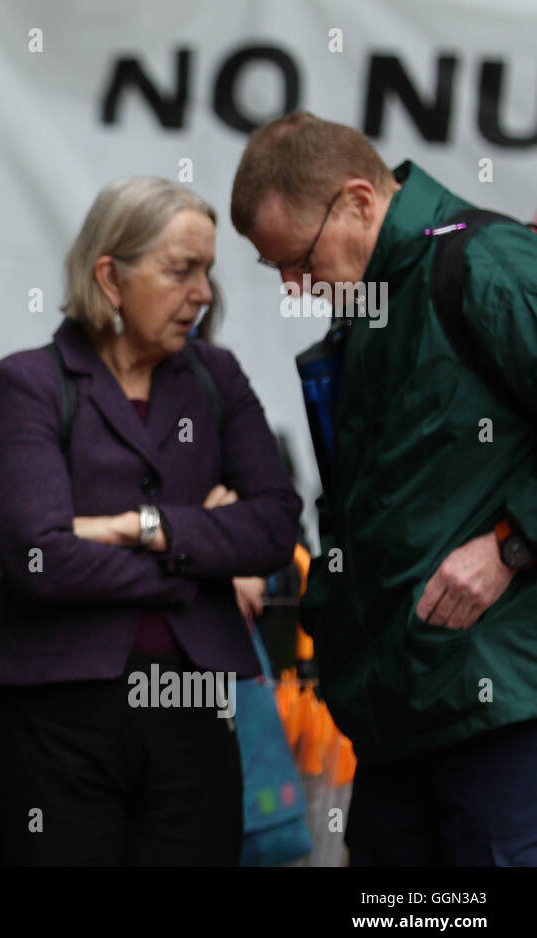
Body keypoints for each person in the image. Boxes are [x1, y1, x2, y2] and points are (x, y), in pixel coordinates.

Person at [231, 111, 537, 866]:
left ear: (361, 201)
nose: (297, 290)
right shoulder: (370, 306)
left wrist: (511, 544)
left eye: (300, 261)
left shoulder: (486, 262)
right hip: (395, 715)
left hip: (501, 711)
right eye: (278, 273)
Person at [0, 176, 301, 866]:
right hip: (52, 723)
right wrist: (204, 562)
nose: (205, 292)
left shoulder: (219, 378)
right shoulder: (28, 382)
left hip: (195, 714)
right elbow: (40, 560)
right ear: (110, 277)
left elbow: (274, 528)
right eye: (183, 270)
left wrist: (137, 525)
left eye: (208, 271)